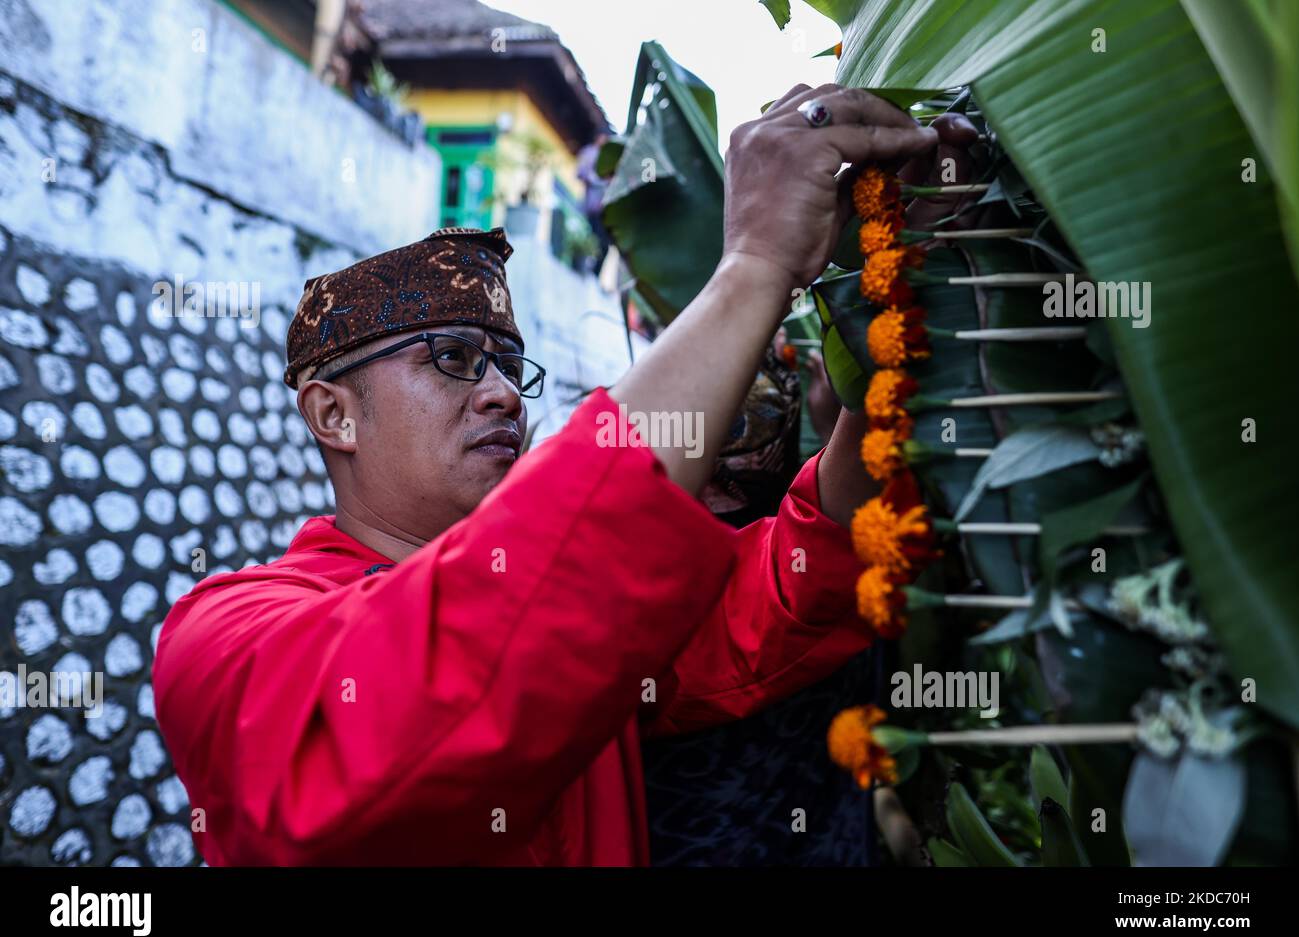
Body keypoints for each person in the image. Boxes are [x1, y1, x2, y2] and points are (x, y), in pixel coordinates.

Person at [152, 84, 943, 866]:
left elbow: (787, 587)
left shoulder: (587, 617)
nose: (501, 392)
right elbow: (455, 668)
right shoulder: (219, 639)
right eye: (453, 359)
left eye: (507, 366)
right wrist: (756, 263)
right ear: (333, 416)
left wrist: (899, 311)